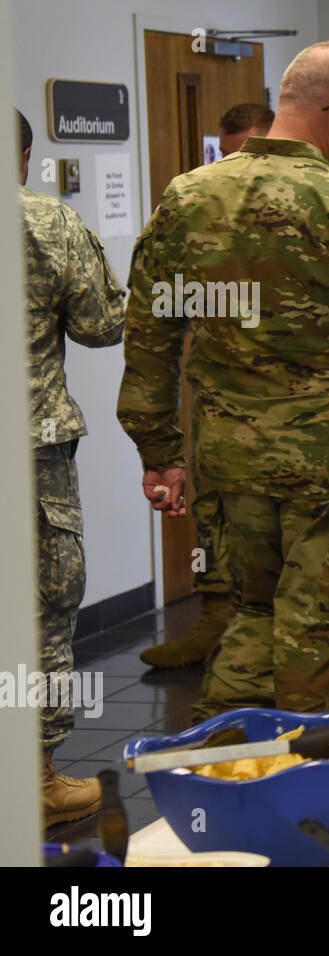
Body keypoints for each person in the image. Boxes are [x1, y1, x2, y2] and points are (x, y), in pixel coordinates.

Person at [118, 41, 329, 723]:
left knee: (250, 620)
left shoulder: (187, 198)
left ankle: (225, 783)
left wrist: (158, 451)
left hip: (228, 469)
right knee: (321, 639)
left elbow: (151, 336)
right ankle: (308, 799)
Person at [15, 109, 126, 824]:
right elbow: (101, 325)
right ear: (22, 155)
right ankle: (36, 780)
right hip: (32, 454)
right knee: (42, 613)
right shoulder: (48, 223)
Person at [139, 102, 277, 670]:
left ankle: (274, 660)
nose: (233, 166)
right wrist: (158, 444)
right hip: (223, 405)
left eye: (246, 150)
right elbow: (153, 320)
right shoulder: (194, 206)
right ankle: (217, 623)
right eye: (226, 153)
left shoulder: (316, 205)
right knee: (218, 518)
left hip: (305, 411)